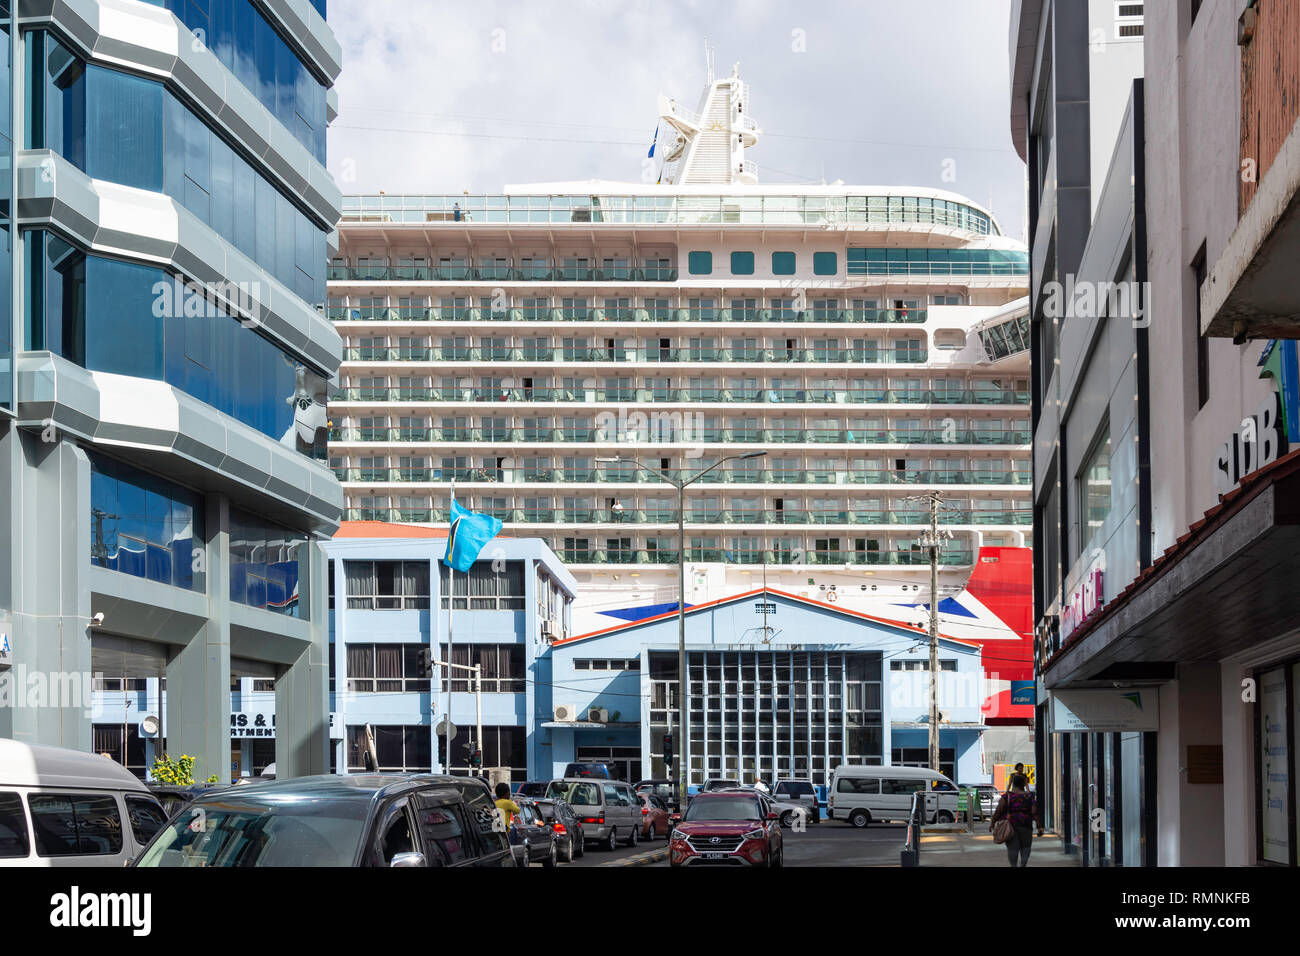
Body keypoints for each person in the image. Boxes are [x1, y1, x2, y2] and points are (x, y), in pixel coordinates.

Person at [991, 772, 1044, 867]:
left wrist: (992, 823)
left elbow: (998, 811)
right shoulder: (1029, 797)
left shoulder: (1007, 797)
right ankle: (1023, 864)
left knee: (1012, 849)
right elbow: (1034, 812)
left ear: (1014, 784)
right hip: (1026, 825)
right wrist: (1039, 827)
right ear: (1023, 784)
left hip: (1011, 826)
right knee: (1026, 847)